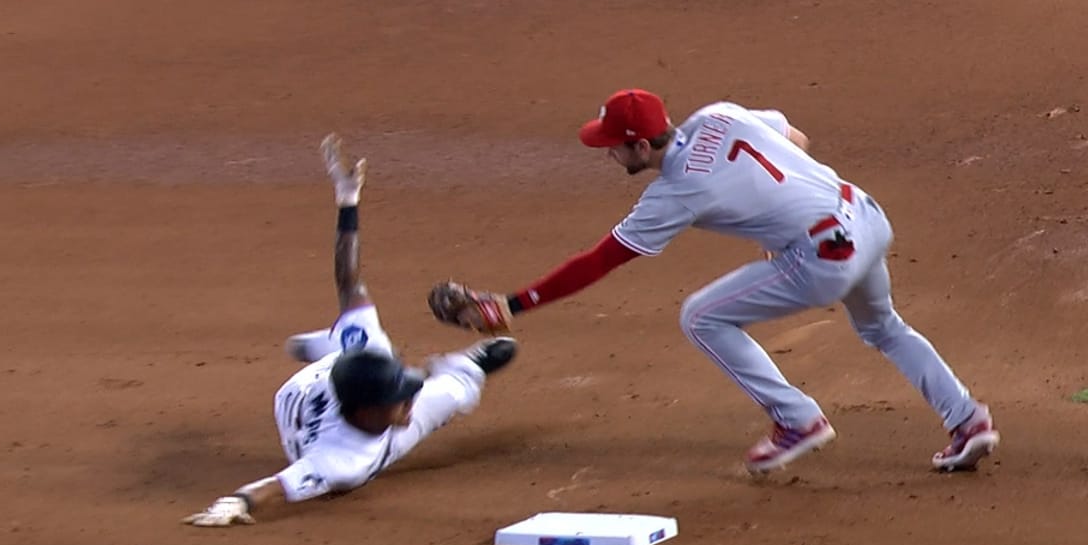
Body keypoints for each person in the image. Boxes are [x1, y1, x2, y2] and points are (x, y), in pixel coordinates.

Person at [426, 90, 998, 475]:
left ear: (640, 146)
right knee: (884, 327)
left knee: (701, 316)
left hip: (822, 257)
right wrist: (778, 217)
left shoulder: (675, 192)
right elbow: (793, 139)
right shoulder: (719, 114)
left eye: (612, 145)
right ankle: (967, 419)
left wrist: (512, 304)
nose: (608, 153)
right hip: (865, 216)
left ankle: (796, 420)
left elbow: (600, 261)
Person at [182, 135, 518, 527]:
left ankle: (327, 344)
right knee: (453, 390)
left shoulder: (369, 362)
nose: (411, 399)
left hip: (334, 375)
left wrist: (347, 201)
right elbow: (275, 487)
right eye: (402, 396)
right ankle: (464, 367)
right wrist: (235, 503)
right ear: (369, 410)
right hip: (305, 410)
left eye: (406, 390)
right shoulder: (342, 462)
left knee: (374, 345)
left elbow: (348, 281)